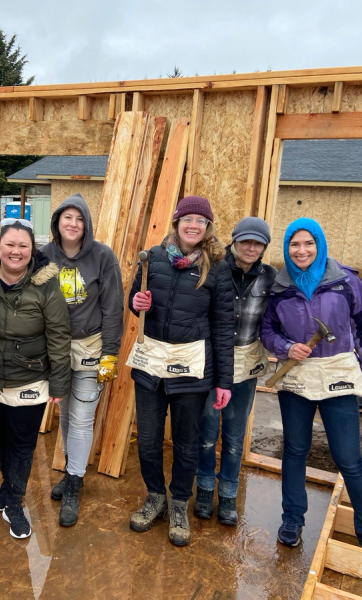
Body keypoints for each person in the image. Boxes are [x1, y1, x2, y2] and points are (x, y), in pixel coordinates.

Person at [261, 217, 362, 550]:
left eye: (308, 243)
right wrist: (286, 347)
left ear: (319, 244)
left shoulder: (344, 281)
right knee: (295, 451)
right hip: (297, 377)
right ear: (287, 248)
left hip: (337, 375)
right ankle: (292, 519)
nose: (301, 250)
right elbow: (267, 330)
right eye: (294, 244)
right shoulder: (280, 287)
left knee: (348, 458)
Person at [128, 196, 234, 547]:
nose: (193, 226)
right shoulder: (153, 259)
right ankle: (154, 496)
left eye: (200, 222)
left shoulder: (216, 268)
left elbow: (222, 327)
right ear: (176, 223)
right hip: (151, 368)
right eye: (187, 219)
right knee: (147, 441)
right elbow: (135, 298)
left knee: (187, 444)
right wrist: (136, 303)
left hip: (190, 371)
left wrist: (224, 381)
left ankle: (177, 504)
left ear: (207, 228)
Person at [0, 218, 71, 539]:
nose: (16, 252)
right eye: (10, 245)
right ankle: (8, 485)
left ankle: (15, 501)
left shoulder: (45, 286)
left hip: (30, 378)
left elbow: (59, 335)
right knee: (0, 435)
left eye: (23, 246)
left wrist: (59, 383)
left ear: (32, 251)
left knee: (22, 442)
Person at [40, 194, 124, 527]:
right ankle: (73, 471)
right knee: (65, 413)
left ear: (86, 224)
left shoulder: (102, 257)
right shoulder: (44, 256)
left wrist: (110, 353)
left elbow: (113, 307)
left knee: (82, 415)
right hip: (56, 348)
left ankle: (74, 482)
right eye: (67, 218)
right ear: (57, 222)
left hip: (91, 347)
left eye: (79, 219)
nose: (73, 224)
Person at [194, 217, 277, 526]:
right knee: (206, 431)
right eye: (246, 241)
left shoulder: (271, 277)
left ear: (265, 247)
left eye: (258, 243)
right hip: (213, 361)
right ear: (234, 241)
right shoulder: (215, 269)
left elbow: (278, 320)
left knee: (234, 434)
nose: (251, 247)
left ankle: (228, 493)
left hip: (247, 363)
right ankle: (204, 488)